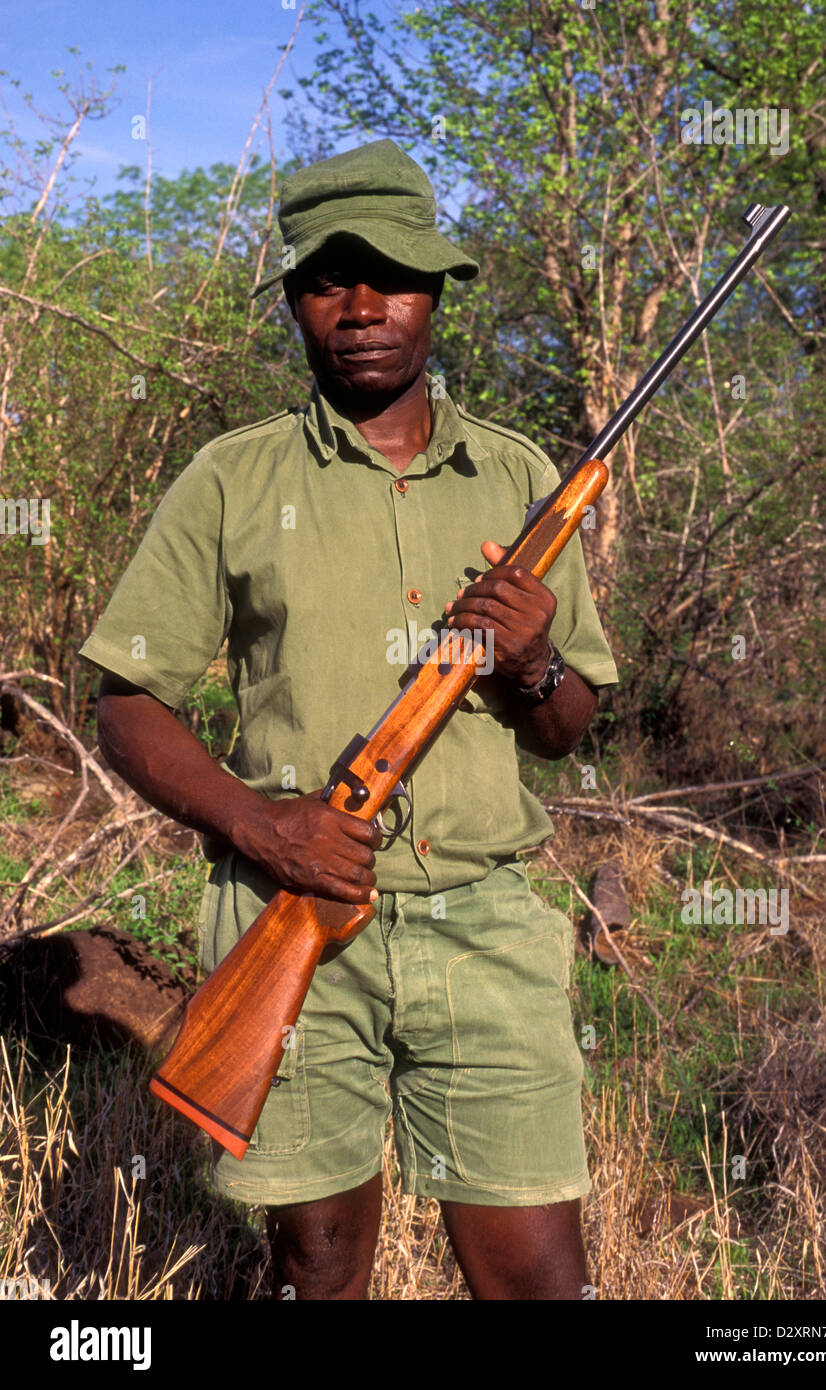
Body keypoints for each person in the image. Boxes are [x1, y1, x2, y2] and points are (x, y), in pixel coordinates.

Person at [80, 139, 619, 1300]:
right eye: (330, 280)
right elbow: (126, 703)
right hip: (288, 903)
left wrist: (530, 662)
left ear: (436, 294)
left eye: (393, 278)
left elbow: (566, 729)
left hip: (484, 919)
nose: (363, 308)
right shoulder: (230, 478)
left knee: (541, 1277)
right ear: (293, 300)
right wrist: (262, 825)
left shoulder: (518, 478)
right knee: (316, 1260)